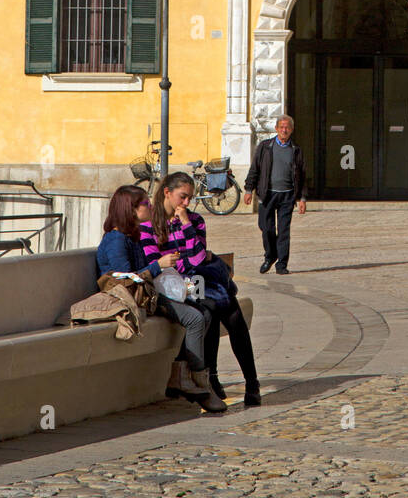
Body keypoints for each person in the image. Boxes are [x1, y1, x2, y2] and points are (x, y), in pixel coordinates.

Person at [96, 182, 225, 414]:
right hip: (134, 298)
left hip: (149, 292)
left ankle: (183, 379)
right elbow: (124, 280)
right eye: (145, 204)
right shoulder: (116, 240)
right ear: (131, 209)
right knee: (195, 319)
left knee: (207, 309)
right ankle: (201, 386)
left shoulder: (131, 235)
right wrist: (158, 266)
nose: (150, 207)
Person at [140, 171, 262, 408]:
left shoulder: (195, 221)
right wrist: (183, 258)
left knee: (233, 313)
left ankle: (252, 382)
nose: (186, 203)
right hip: (176, 287)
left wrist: (185, 223)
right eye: (182, 197)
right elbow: (161, 265)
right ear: (167, 193)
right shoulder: (148, 227)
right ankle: (211, 379)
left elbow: (195, 259)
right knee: (211, 307)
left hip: (197, 280)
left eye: (189, 198)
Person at [243, 114, 307, 275]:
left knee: (284, 230)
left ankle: (282, 264)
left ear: (291, 130)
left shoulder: (296, 150)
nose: (284, 130)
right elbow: (255, 169)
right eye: (282, 127)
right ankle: (270, 255)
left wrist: (302, 198)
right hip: (268, 194)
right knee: (266, 228)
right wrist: (249, 190)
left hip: (287, 196)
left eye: (287, 127)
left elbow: (302, 175)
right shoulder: (265, 147)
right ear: (276, 129)